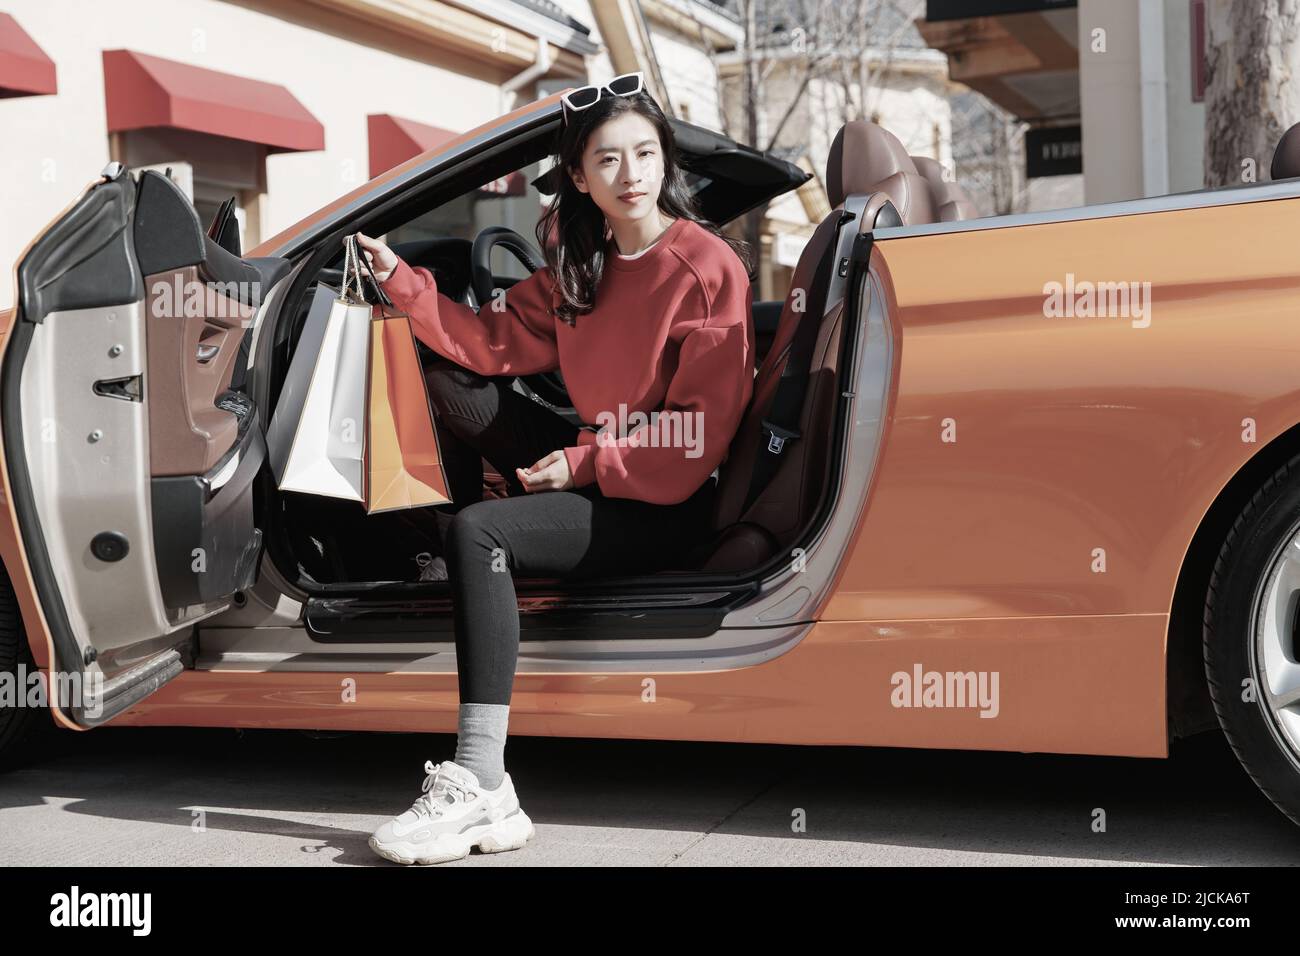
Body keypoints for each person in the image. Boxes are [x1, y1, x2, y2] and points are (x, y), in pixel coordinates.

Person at [357, 72, 755, 865]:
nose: (632, 175)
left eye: (645, 154)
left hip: (665, 499)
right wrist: (400, 281)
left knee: (483, 534)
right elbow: (490, 344)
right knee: (447, 380)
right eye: (608, 160)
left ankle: (482, 785)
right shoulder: (584, 264)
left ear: (664, 160)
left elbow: (699, 433)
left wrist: (583, 462)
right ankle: (444, 559)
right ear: (579, 176)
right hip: (602, 457)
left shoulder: (708, 269)